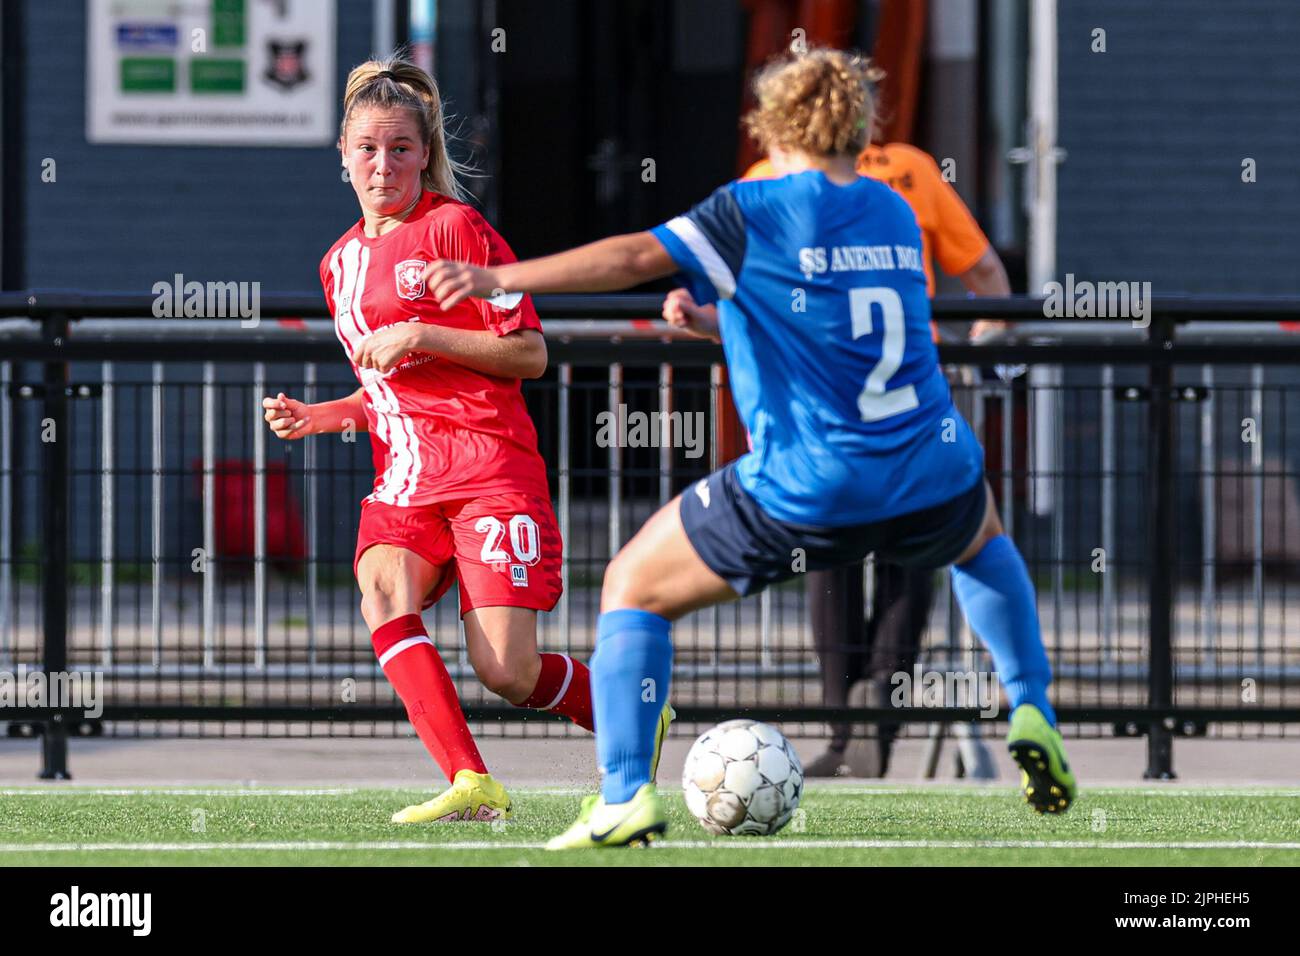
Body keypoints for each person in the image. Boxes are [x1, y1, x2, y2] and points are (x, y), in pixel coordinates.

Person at [424, 48, 1075, 849]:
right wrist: (720, 320)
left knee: (631, 586)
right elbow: (827, 316)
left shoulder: (753, 205)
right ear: (859, 121)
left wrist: (499, 280)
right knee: (984, 543)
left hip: (812, 482)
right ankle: (1032, 705)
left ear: (773, 121)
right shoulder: (892, 207)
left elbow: (632, 256)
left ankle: (626, 796)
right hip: (928, 467)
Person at [261, 54, 671, 825]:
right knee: (381, 589)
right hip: (406, 481)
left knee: (506, 671)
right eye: (368, 149)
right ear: (342, 155)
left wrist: (424, 328)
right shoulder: (337, 263)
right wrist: (325, 415)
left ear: (426, 154)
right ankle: (470, 782)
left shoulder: (456, 229)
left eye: (402, 149)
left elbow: (530, 353)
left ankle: (633, 719)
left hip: (488, 469)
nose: (384, 165)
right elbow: (389, 390)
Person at [722, 138, 1011, 777]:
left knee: (830, 552)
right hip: (913, 388)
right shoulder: (906, 175)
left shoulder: (765, 180)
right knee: (917, 550)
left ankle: (843, 727)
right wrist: (977, 355)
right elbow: (988, 275)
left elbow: (737, 297)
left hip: (819, 393)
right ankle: (882, 698)